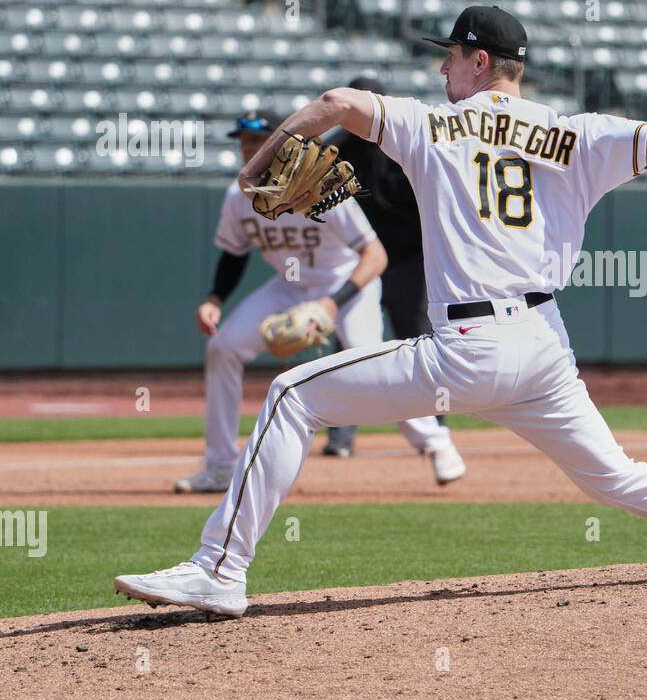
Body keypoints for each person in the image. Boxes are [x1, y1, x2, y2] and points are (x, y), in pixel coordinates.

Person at [115, 5, 647, 617]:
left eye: (450, 57)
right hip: (544, 348)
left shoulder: (429, 124)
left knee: (288, 394)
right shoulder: (574, 131)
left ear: (478, 60)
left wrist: (258, 162)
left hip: (465, 347)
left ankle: (219, 567)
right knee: (621, 479)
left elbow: (337, 103)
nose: (441, 69)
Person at [177, 110, 456, 495]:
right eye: (243, 140)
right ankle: (221, 466)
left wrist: (331, 303)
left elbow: (375, 256)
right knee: (223, 348)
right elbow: (234, 253)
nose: (248, 148)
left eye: (257, 140)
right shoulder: (239, 196)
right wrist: (214, 299)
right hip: (289, 287)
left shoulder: (321, 189)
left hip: (345, 283)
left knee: (369, 357)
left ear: (282, 142)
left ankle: (434, 440)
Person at [315, 76, 466, 484]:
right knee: (349, 345)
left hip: (406, 257)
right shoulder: (335, 150)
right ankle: (342, 433)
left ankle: (437, 430)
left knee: (412, 338)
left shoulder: (404, 141)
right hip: (360, 260)